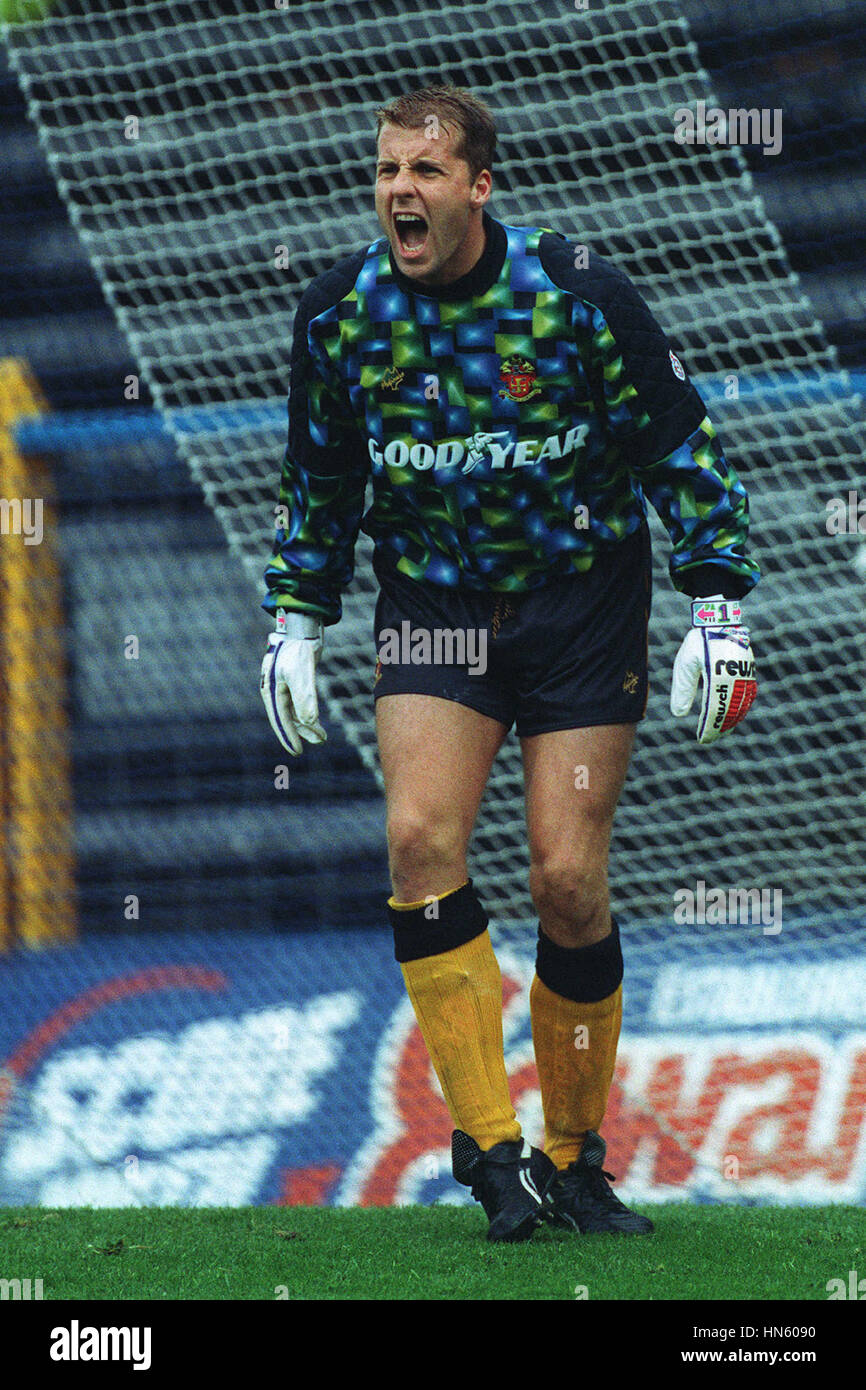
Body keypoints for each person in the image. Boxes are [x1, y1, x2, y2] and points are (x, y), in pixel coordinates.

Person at [261, 84, 759, 1242]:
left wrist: (718, 605)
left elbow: (678, 450)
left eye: (425, 172)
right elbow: (320, 480)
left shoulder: (577, 294)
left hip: (581, 601)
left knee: (562, 879)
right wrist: (296, 614)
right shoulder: (340, 312)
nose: (399, 191)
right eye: (386, 171)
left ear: (479, 186)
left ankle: (574, 1158)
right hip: (435, 602)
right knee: (418, 840)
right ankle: (489, 1151)